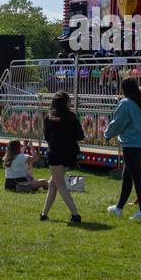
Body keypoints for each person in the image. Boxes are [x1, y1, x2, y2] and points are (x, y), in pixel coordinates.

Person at [104, 76, 141, 220]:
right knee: (127, 176)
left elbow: (117, 123)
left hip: (131, 145)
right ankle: (119, 207)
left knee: (136, 178)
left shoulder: (126, 103)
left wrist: (108, 134)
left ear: (123, 89)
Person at [41, 92, 83, 223]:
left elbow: (46, 137)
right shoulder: (72, 116)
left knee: (60, 184)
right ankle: (44, 214)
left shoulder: (49, 118)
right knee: (52, 183)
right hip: (70, 154)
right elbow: (80, 136)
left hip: (55, 153)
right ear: (66, 103)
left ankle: (75, 214)